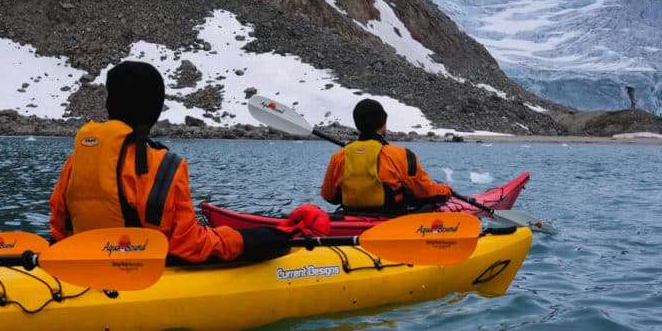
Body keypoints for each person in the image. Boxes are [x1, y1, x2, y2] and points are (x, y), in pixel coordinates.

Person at [49, 60, 304, 263]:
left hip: (84, 265)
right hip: (144, 270)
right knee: (267, 239)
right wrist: (254, 239)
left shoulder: (77, 160)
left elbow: (59, 231)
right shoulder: (165, 165)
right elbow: (188, 244)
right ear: (154, 110)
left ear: (110, 105)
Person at [321, 99, 452, 215]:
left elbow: (329, 196)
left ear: (357, 124)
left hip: (351, 213)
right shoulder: (401, 154)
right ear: (383, 125)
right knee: (435, 185)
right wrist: (446, 190)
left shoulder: (339, 156)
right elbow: (425, 191)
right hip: (390, 216)